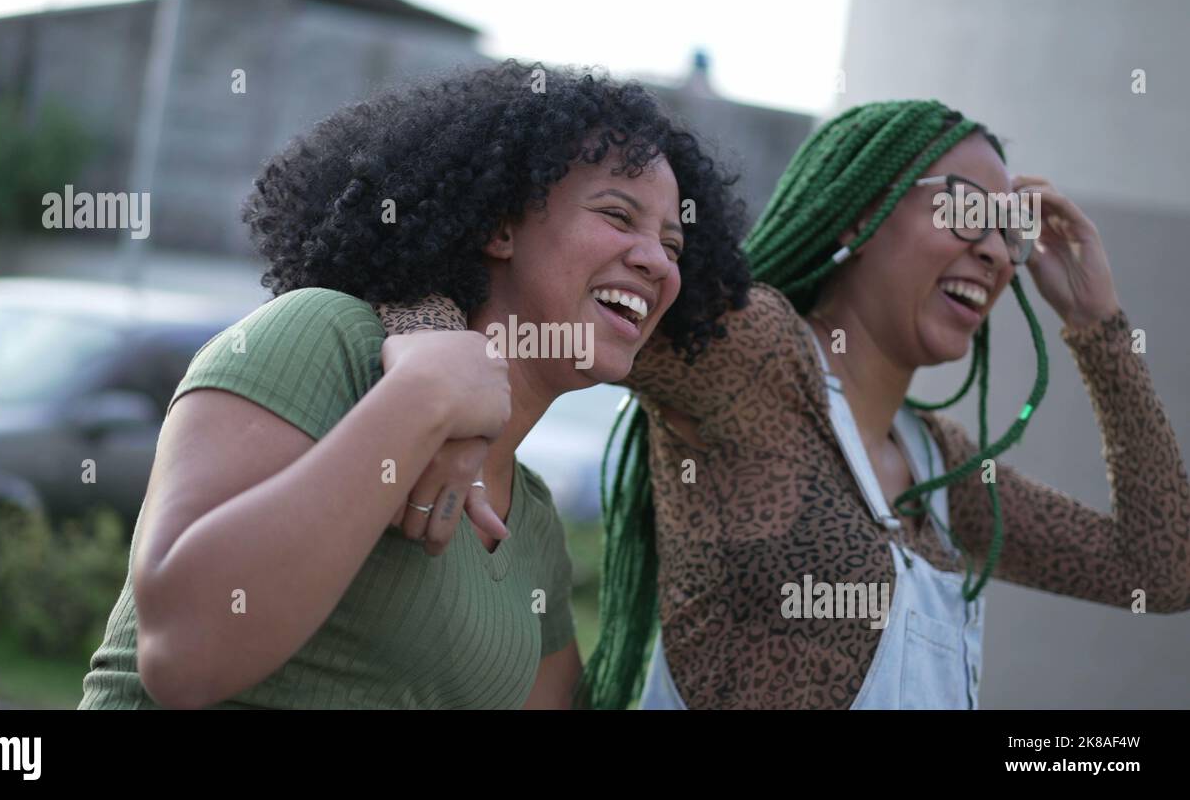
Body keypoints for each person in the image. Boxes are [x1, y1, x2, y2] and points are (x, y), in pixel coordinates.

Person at [382, 99, 1190, 710]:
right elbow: (481, 265)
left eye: (1010, 230)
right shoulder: (756, 351)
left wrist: (1098, 323)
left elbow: (1160, 569)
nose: (993, 246)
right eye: (966, 208)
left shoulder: (937, 463)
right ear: (862, 211)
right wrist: (436, 384)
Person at [77, 60, 750, 709]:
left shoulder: (533, 524)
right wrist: (426, 395)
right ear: (500, 225)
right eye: (617, 215)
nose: (657, 261)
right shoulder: (324, 338)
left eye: (674, 245)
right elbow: (183, 653)